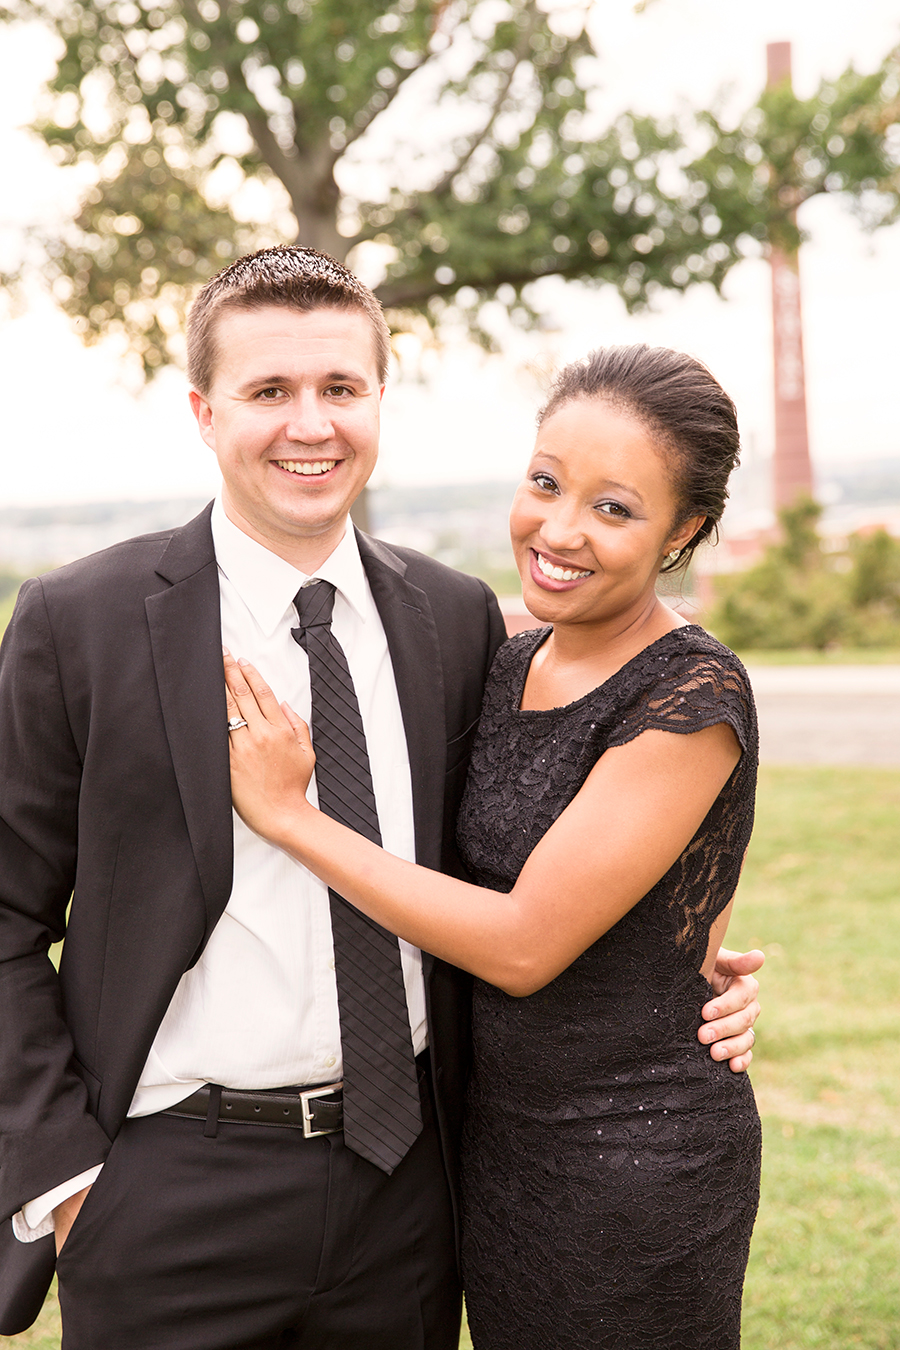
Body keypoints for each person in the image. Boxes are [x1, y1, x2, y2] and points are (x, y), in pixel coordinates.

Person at [0, 247, 760, 1348]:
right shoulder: (84, 621)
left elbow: (553, 860)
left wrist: (687, 971)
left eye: (340, 389)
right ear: (206, 412)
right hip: (164, 1189)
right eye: (270, 391)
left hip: (410, 1185)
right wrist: (68, 1183)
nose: (311, 425)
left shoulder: (453, 621)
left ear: (379, 403)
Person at [224, 342, 762, 1349]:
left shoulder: (693, 696)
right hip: (499, 1150)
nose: (558, 530)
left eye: (615, 507)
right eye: (547, 483)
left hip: (635, 1163)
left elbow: (522, 943)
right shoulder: (508, 660)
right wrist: (694, 965)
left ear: (683, 530)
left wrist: (291, 817)